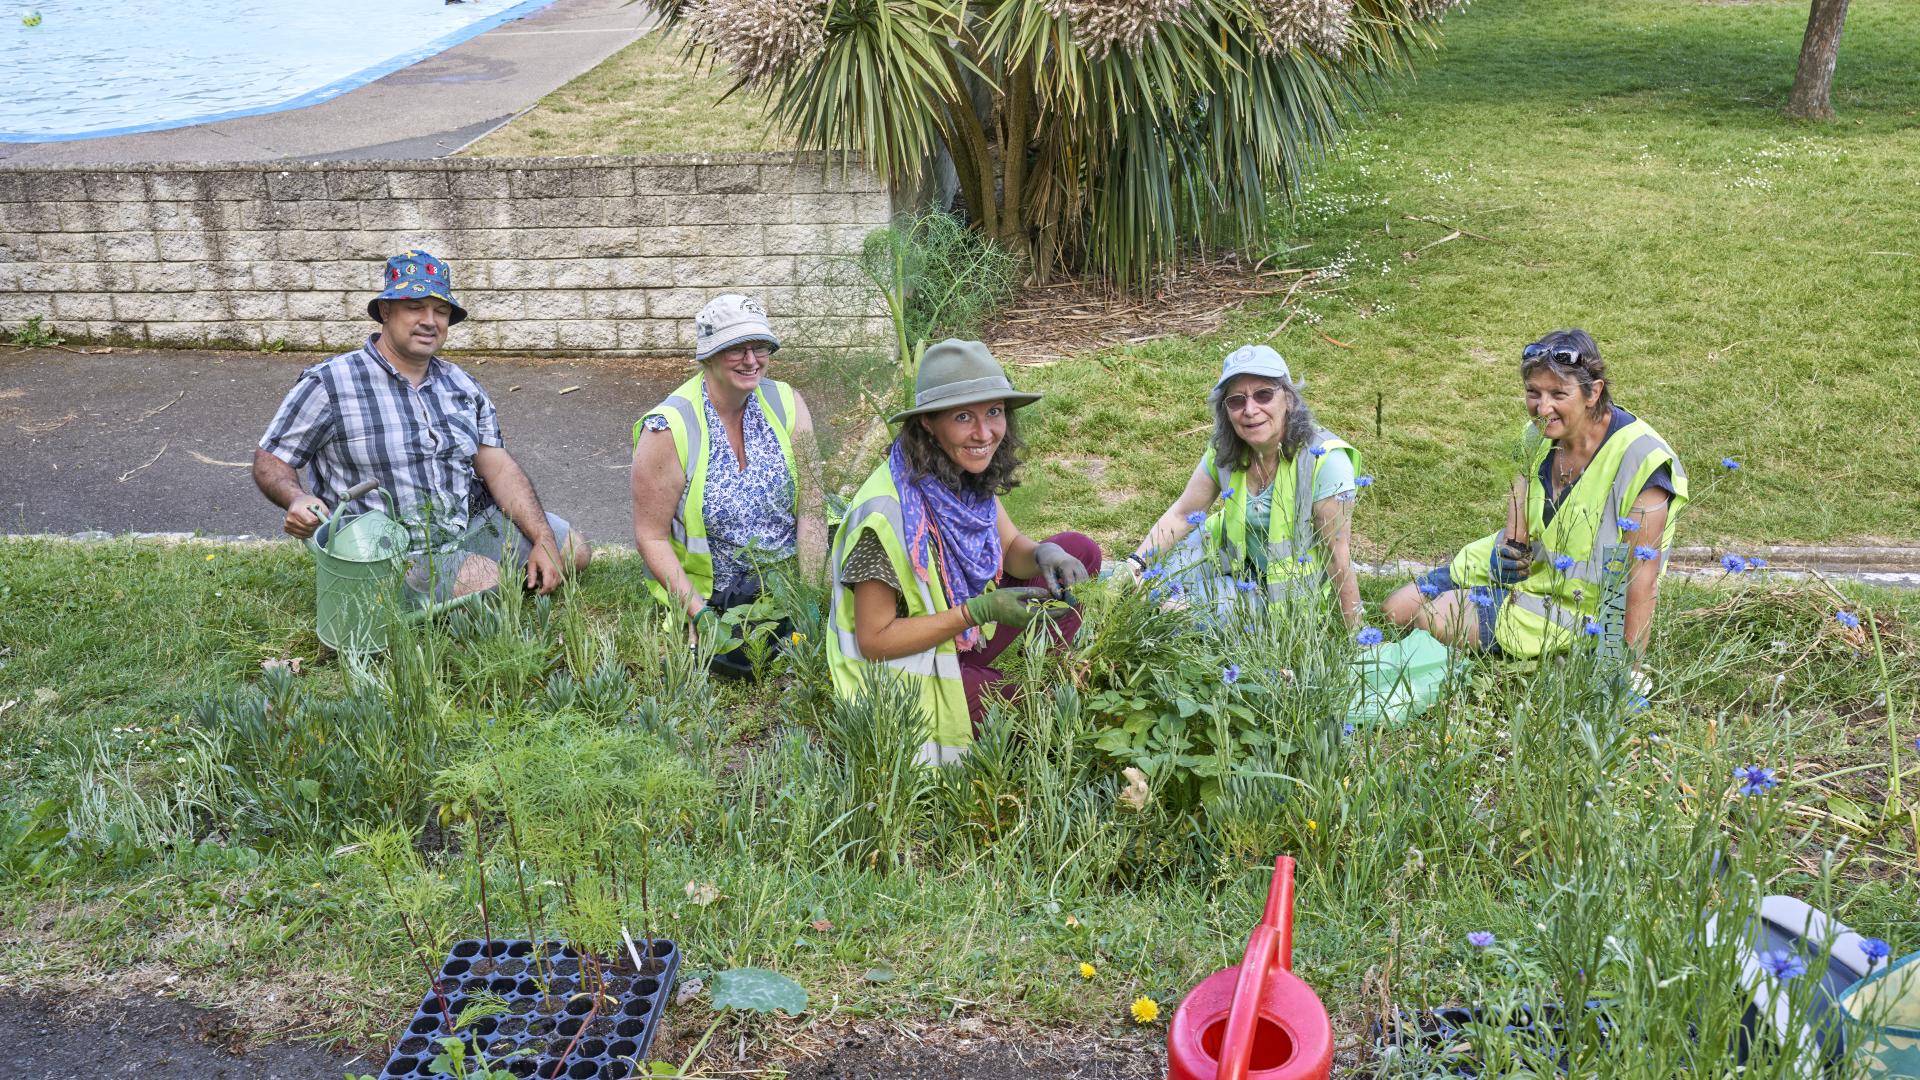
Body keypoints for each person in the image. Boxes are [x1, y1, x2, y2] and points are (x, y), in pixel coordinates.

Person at [253, 250, 588, 599]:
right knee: (486, 579)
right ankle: (426, 593)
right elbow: (271, 458)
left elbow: (499, 469)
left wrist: (544, 540)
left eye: (441, 311)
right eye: (415, 307)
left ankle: (470, 586)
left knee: (572, 550)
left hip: (468, 527)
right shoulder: (330, 383)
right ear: (386, 311)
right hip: (386, 553)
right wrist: (296, 497)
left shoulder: (462, 385)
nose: (430, 320)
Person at [827, 339, 1101, 763]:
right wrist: (978, 612)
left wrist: (1046, 553)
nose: (984, 432)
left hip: (959, 639)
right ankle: (1010, 688)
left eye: (994, 412)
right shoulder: (885, 516)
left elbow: (1010, 547)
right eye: (963, 417)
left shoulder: (959, 472)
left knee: (1078, 551)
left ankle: (1021, 677)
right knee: (1014, 705)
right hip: (905, 673)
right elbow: (873, 641)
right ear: (929, 425)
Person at [1382, 329, 1688, 660]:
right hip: (1528, 573)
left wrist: (1626, 670)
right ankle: (1482, 614)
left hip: (1571, 604)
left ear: (1593, 392)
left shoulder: (1643, 462)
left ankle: (1554, 653)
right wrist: (1509, 555)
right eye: (1533, 393)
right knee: (1396, 610)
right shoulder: (1535, 435)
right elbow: (1518, 520)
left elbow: (1642, 580)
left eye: (1558, 394)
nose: (1542, 409)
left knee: (1434, 617)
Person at [629, 295, 826, 673]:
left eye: (760, 347)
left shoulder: (787, 402)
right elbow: (649, 536)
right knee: (743, 660)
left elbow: (812, 505)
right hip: (717, 588)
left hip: (788, 573)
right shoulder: (669, 427)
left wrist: (812, 595)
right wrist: (699, 614)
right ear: (709, 355)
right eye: (737, 348)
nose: (752, 360)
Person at [1125, 345, 1363, 627]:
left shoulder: (1324, 459)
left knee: (1181, 610)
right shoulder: (1226, 451)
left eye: (1263, 394)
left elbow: (1338, 556)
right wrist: (1135, 564)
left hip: (1284, 594)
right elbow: (1181, 515)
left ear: (1288, 397)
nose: (1250, 410)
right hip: (1233, 557)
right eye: (1236, 401)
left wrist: (1356, 640)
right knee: (1149, 581)